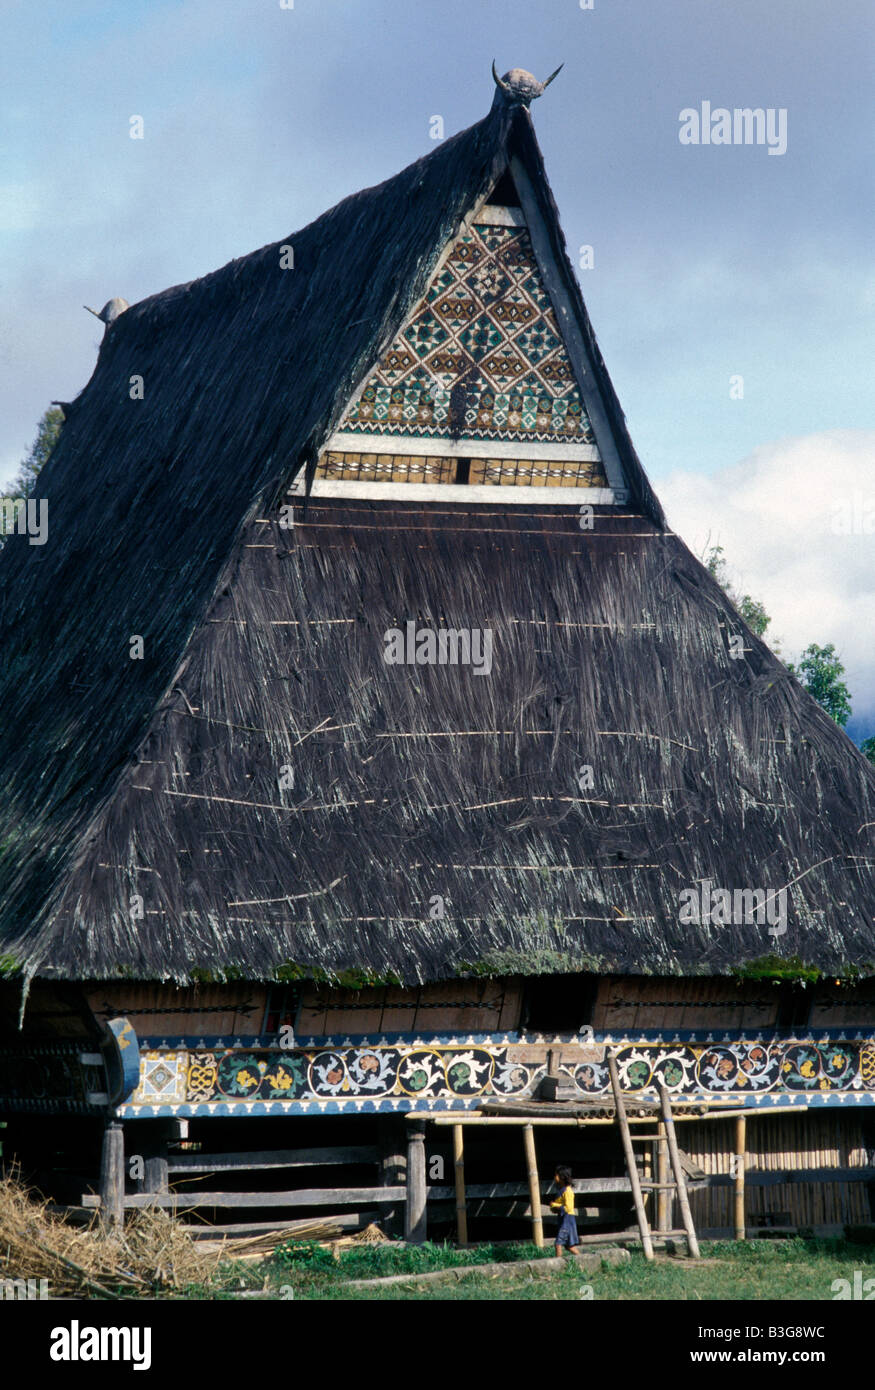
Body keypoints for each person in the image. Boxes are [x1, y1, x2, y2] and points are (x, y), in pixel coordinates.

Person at [549, 1165, 581, 1256]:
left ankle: (558, 1265)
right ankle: (583, 1260)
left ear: (562, 1177)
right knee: (569, 1246)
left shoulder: (568, 1191)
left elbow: (568, 1208)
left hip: (567, 1220)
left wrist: (555, 1205)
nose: (555, 1177)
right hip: (563, 1219)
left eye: (556, 1175)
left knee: (558, 1244)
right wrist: (554, 1209)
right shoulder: (561, 1190)